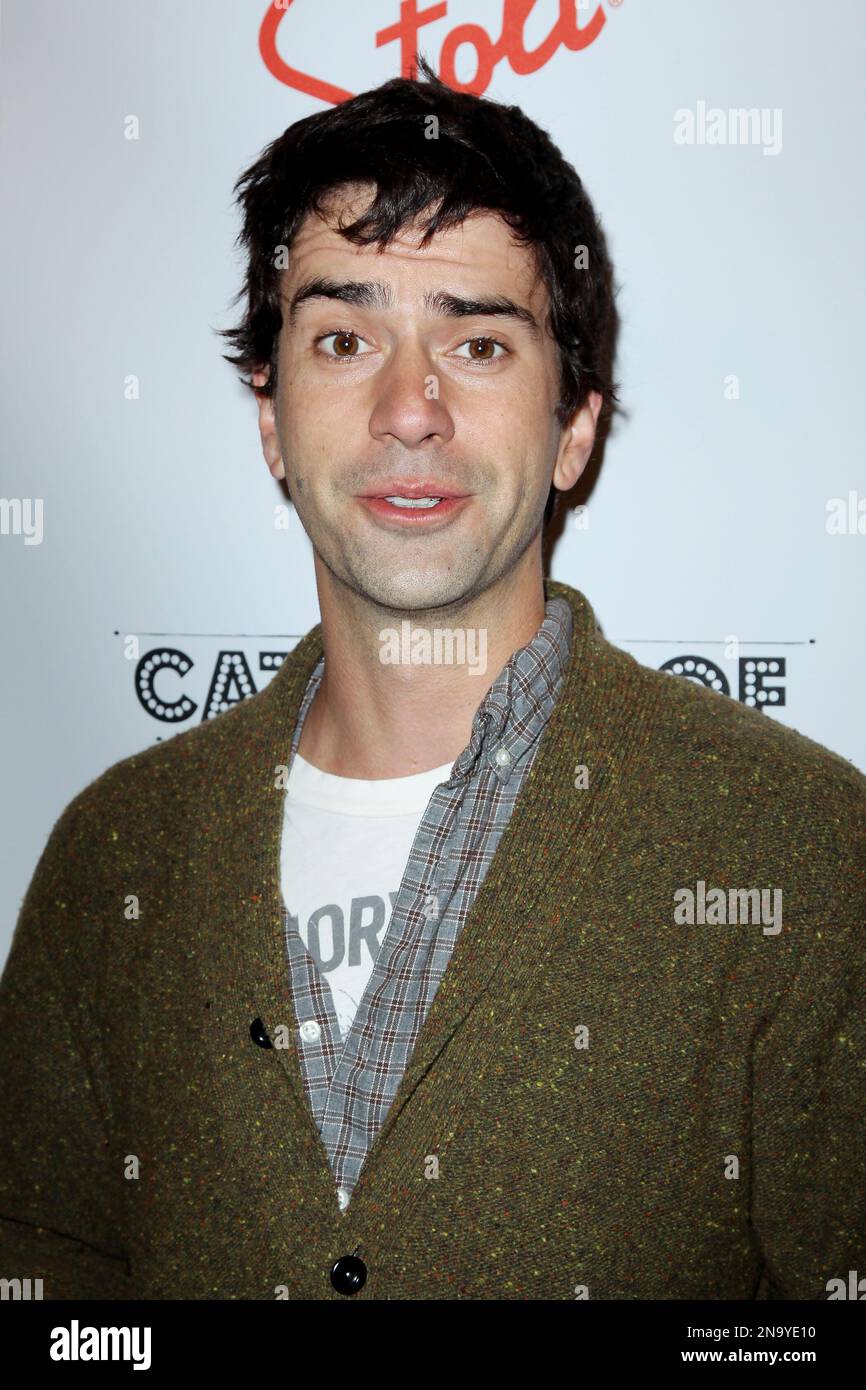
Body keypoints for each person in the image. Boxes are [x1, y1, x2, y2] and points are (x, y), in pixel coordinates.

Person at [1, 58, 864, 1302]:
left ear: (571, 429)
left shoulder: (799, 848)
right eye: (344, 338)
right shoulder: (113, 856)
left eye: (476, 341)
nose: (411, 409)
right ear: (269, 414)